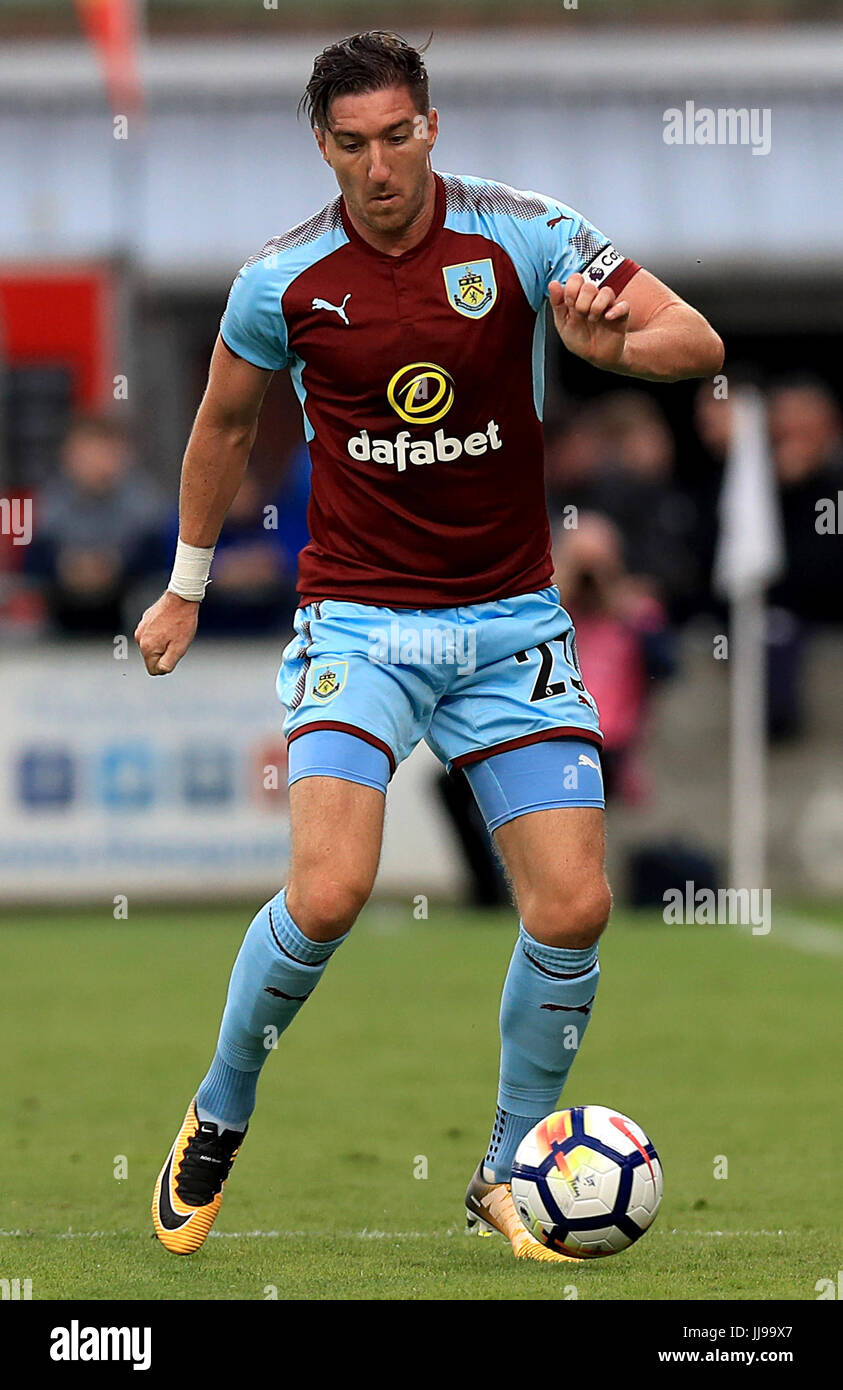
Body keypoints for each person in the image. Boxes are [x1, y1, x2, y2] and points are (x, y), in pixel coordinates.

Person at [135, 30, 722, 1262]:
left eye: (400, 134)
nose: (381, 164)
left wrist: (613, 348)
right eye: (353, 144)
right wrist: (185, 587)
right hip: (358, 621)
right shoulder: (282, 279)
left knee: (573, 906)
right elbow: (221, 429)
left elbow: (696, 342)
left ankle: (510, 1165)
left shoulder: (525, 231)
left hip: (513, 626)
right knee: (331, 890)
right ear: (323, 147)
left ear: (432, 127)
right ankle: (221, 1110)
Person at [26, 413, 165, 635]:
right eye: (88, 452)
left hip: (134, 630)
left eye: (104, 452)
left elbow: (161, 565)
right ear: (68, 456)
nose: (96, 461)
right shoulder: (49, 504)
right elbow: (30, 566)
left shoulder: (146, 506)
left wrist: (118, 567)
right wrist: (65, 567)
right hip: (58, 633)